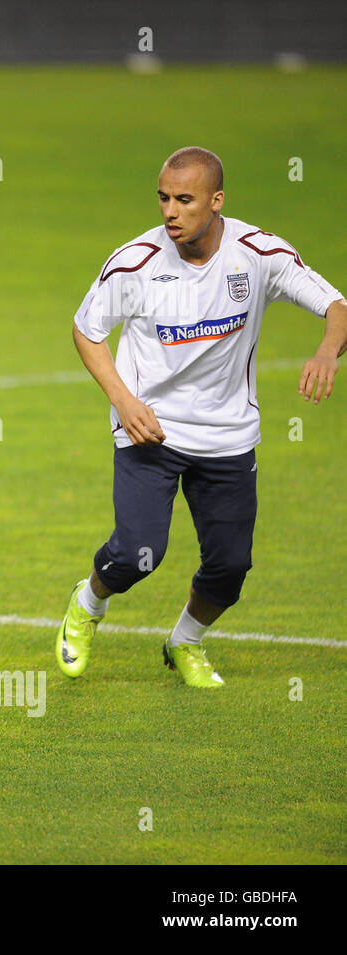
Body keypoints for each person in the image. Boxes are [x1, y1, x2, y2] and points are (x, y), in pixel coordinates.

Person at [58, 147, 345, 688]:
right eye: (164, 198)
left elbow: (338, 307)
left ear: (216, 201)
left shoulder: (257, 254)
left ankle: (184, 642)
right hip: (150, 429)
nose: (170, 211)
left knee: (232, 567)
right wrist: (123, 399)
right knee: (139, 554)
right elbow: (86, 330)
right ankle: (88, 603)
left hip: (228, 435)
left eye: (184, 200)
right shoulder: (135, 263)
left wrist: (328, 351)